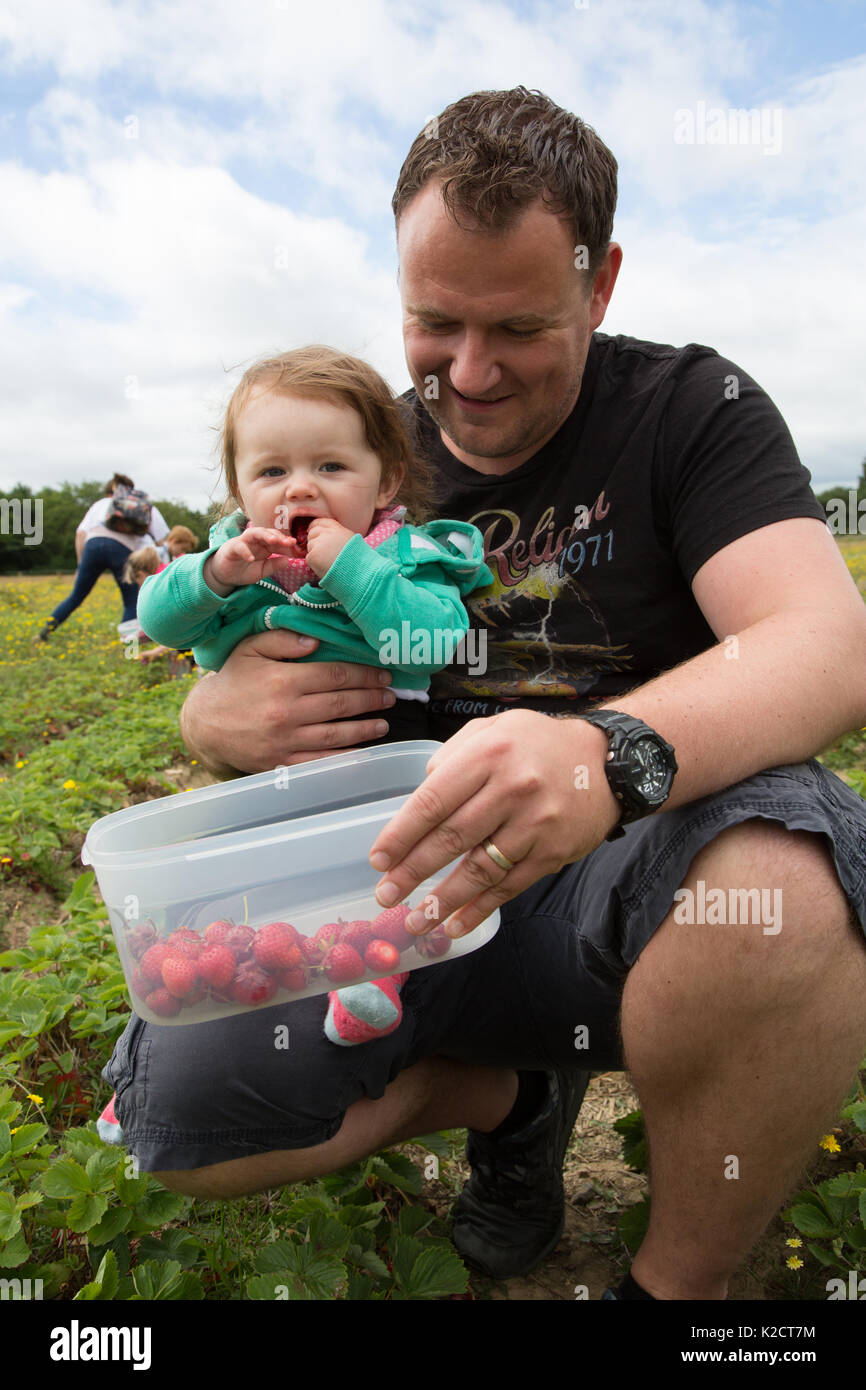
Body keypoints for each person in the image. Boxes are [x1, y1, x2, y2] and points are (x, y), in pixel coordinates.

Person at [102, 88, 866, 1303]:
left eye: (516, 326)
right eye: (432, 323)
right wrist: (211, 717)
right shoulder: (355, 448)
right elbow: (215, 624)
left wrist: (607, 757)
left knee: (779, 884)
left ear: (598, 281)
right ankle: (512, 1099)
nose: (468, 372)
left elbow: (825, 644)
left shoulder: (687, 413)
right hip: (394, 882)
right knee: (179, 1118)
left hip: (621, 875)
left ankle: (670, 1291)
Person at [136, 346, 493, 750]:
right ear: (240, 491)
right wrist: (213, 576)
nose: (300, 487)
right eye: (273, 471)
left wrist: (354, 572)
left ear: (385, 483)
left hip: (382, 746)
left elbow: (433, 647)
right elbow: (159, 625)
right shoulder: (235, 564)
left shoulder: (406, 557)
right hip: (257, 760)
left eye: (330, 466)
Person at [37, 472, 170, 639]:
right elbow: (162, 539)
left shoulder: (100, 504)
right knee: (130, 600)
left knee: (76, 596)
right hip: (123, 550)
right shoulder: (144, 505)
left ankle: (45, 632)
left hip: (93, 545)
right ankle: (128, 646)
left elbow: (80, 534)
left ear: (110, 492)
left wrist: (80, 564)